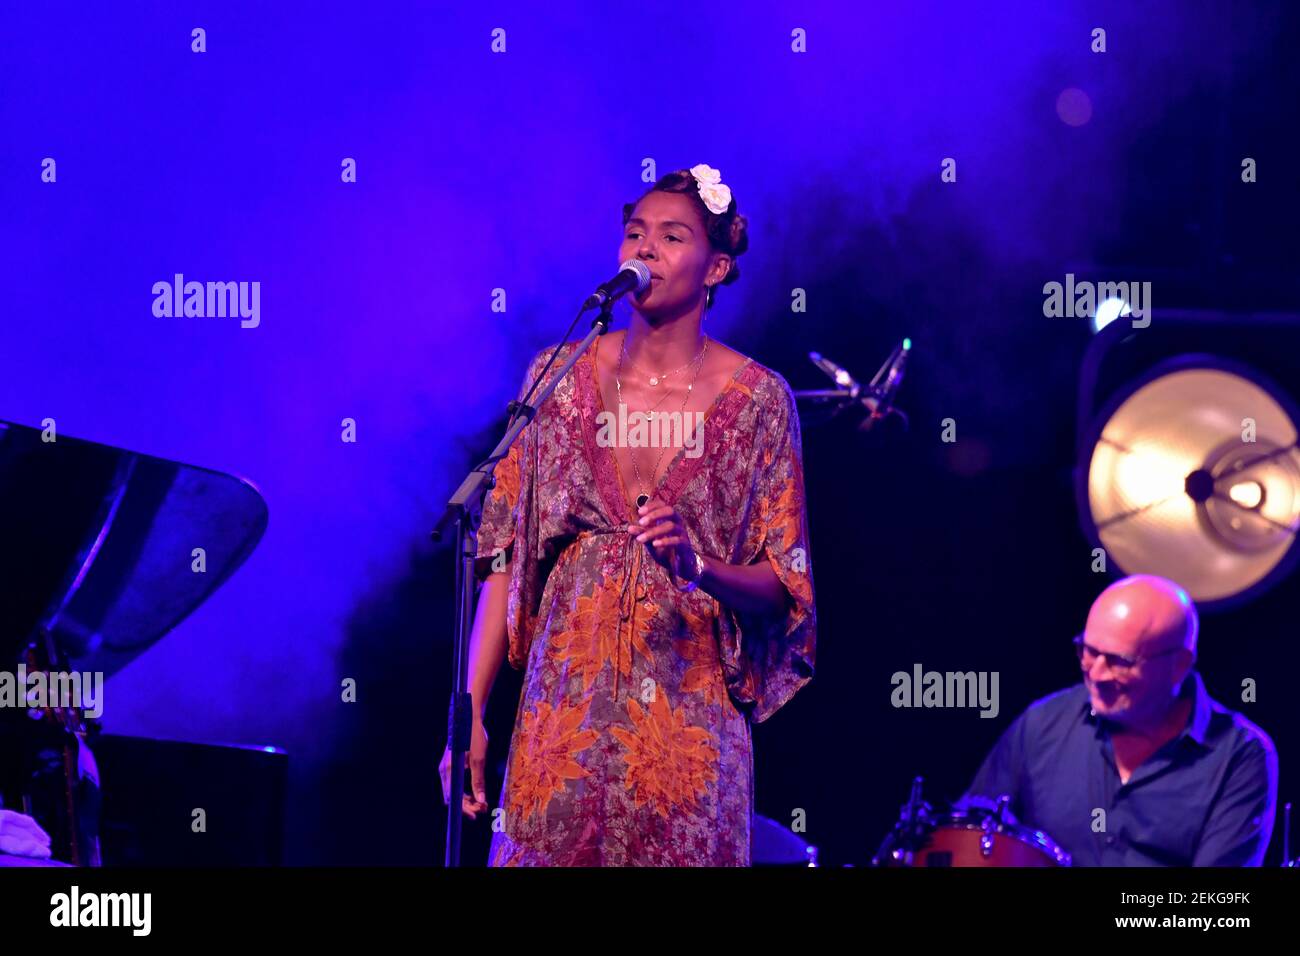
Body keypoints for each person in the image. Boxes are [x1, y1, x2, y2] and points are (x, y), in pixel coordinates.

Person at [439, 164, 817, 865]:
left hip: (685, 725)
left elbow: (784, 584)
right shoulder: (557, 376)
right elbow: (504, 556)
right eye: (635, 233)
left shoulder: (760, 400)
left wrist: (698, 567)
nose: (645, 249)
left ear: (716, 267)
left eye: (672, 237)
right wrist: (470, 716)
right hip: (566, 713)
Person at [961, 574, 1278, 866]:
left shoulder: (1240, 756)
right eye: (1088, 651)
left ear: (1179, 665)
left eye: (1119, 661)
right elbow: (969, 836)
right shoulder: (1041, 724)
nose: (1096, 674)